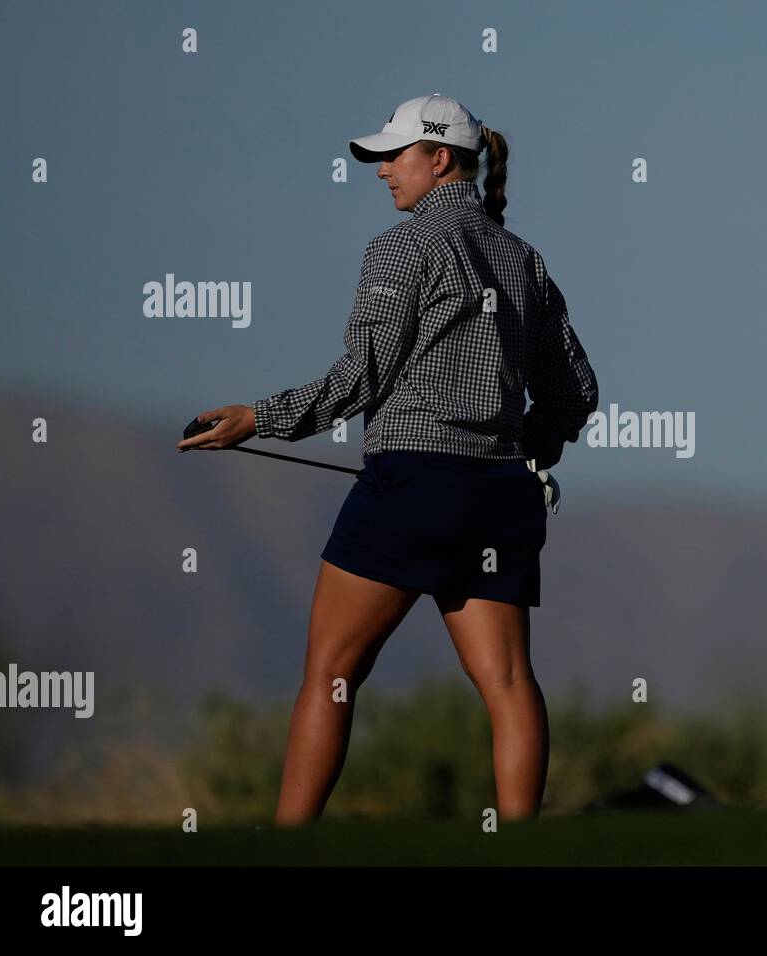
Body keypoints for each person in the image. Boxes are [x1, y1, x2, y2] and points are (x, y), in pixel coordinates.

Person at [174, 94, 599, 826]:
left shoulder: (400, 249)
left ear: (439, 160)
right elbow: (575, 391)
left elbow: (360, 378)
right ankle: (527, 849)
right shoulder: (523, 259)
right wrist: (536, 443)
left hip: (410, 488)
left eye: (392, 157)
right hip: (500, 496)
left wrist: (259, 418)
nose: (380, 173)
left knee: (332, 674)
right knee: (508, 683)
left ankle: (287, 850)